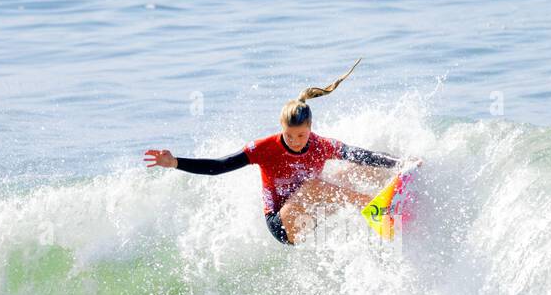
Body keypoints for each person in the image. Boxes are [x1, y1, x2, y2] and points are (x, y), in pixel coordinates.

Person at [144, 59, 405, 244]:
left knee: (355, 168)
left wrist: (400, 163)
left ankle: (399, 192)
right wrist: (175, 162)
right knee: (316, 185)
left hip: (311, 216)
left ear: (310, 128)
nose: (295, 141)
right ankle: (371, 207)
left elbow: (356, 152)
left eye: (301, 135)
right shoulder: (264, 149)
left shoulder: (321, 144)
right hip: (283, 224)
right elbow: (219, 166)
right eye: (289, 136)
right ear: (281, 128)